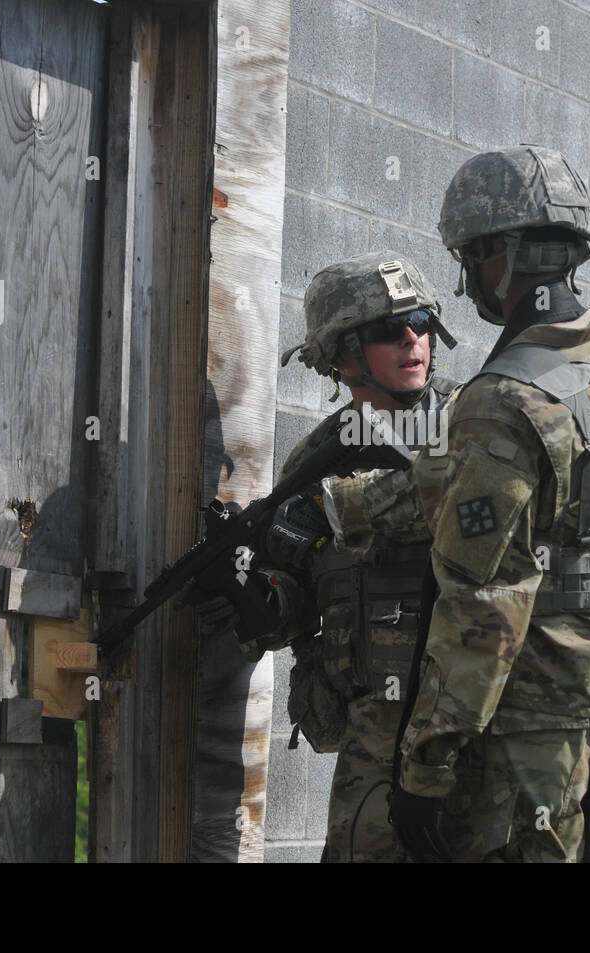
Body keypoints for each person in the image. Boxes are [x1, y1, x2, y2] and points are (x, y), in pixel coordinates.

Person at [381, 145, 590, 862]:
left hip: (534, 750)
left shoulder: (500, 400)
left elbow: (484, 602)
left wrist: (425, 760)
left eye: (471, 255)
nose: (468, 274)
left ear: (501, 256)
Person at [196, 250, 457, 862]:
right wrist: (244, 593)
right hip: (374, 735)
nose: (413, 340)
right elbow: (293, 604)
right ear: (342, 355)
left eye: (420, 321)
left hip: (472, 720)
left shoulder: (474, 422)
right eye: (389, 330)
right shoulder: (319, 460)